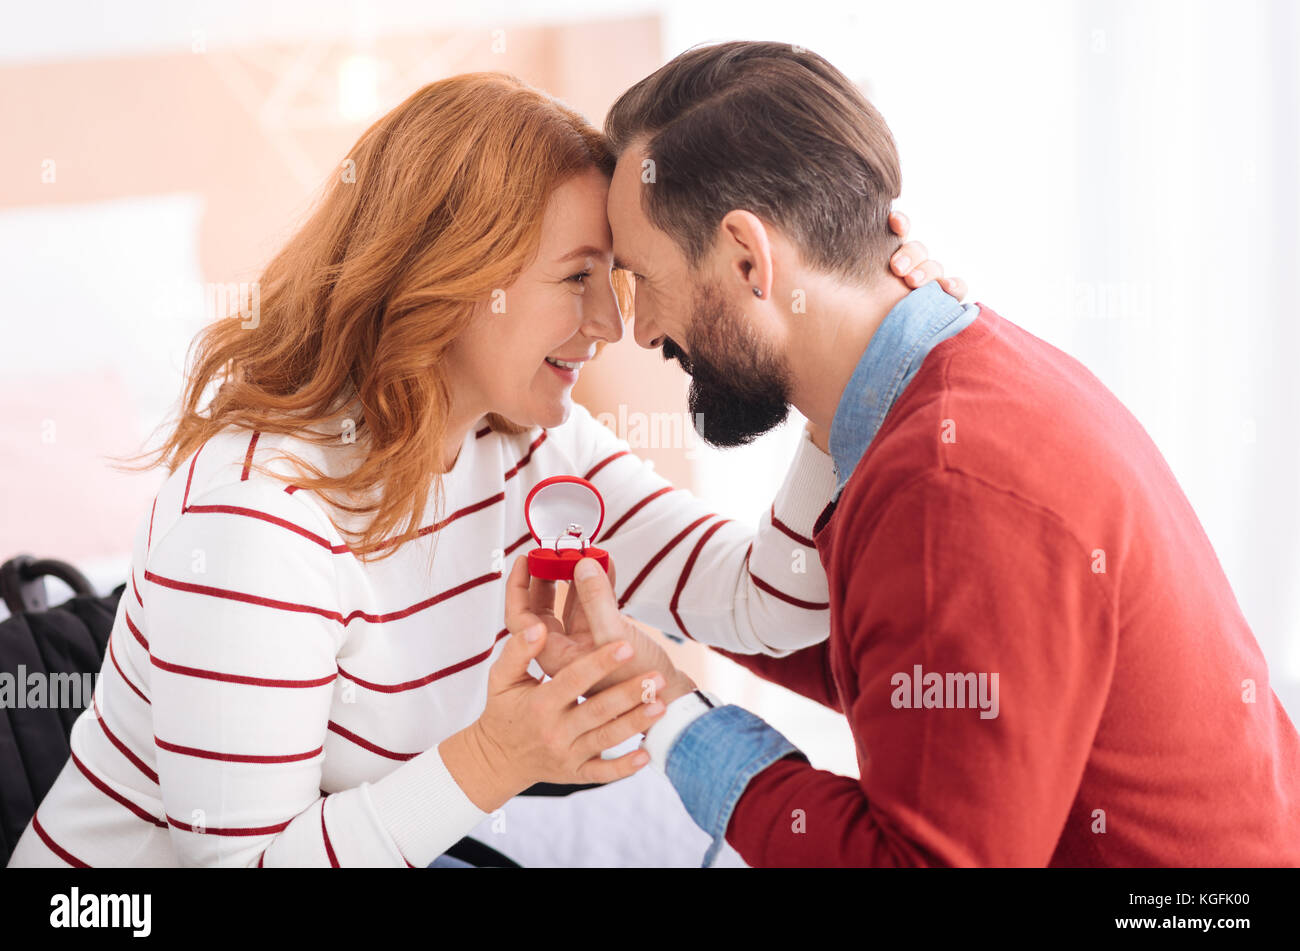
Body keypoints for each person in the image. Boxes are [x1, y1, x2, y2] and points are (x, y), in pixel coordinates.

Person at [7, 71, 955, 868]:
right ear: (456, 278)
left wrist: (840, 376)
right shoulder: (262, 514)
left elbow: (766, 604)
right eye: (577, 278)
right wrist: (494, 757)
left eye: (615, 280)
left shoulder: (528, 443)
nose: (611, 327)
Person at [507, 40, 1300, 867]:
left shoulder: (950, 486)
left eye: (644, 278)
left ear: (748, 257)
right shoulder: (966, 377)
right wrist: (647, 653)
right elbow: (898, 654)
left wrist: (674, 713)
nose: (640, 330)